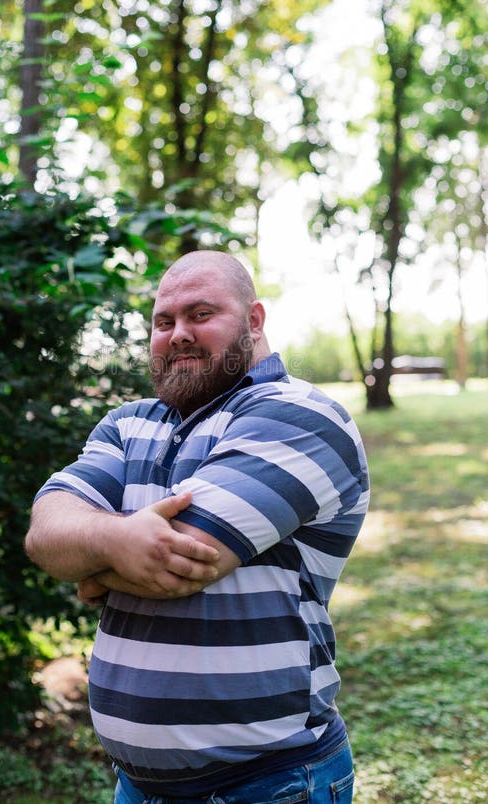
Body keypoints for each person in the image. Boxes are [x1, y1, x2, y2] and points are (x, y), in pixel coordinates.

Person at [25, 250, 370, 804]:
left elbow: (180, 563)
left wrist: (90, 559)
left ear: (254, 320)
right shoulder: (127, 424)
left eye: (201, 314)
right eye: (165, 322)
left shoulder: (300, 416)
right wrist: (116, 541)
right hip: (136, 788)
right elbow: (45, 532)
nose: (179, 333)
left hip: (269, 784)